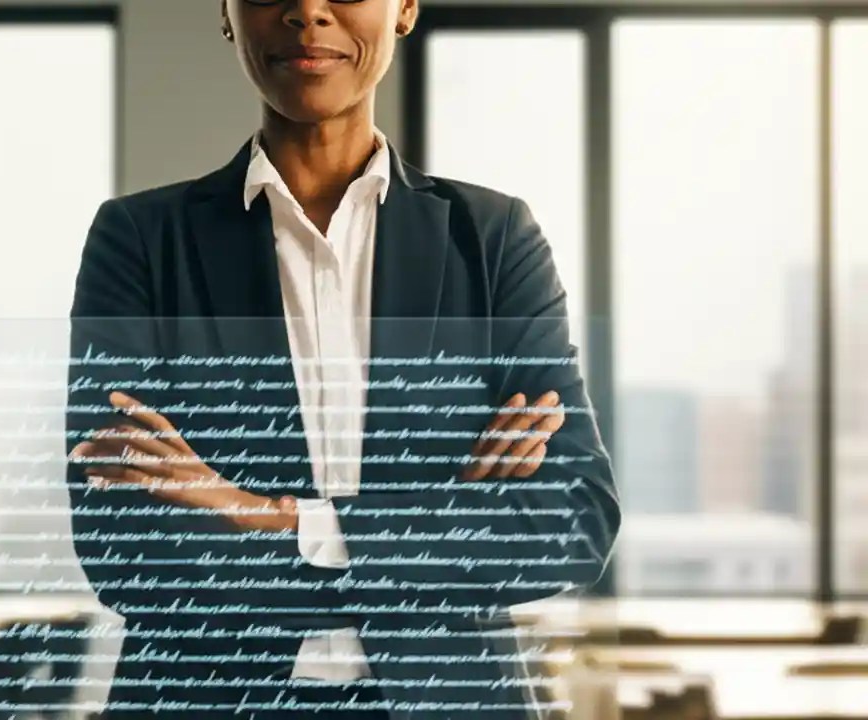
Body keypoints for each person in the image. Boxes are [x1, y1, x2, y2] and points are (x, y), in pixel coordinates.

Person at [64, 1, 622, 718]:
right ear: (228, 14)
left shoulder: (491, 239)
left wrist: (260, 513)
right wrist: (446, 521)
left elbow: (570, 523)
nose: (306, 12)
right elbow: (127, 553)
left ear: (406, 9)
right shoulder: (140, 240)